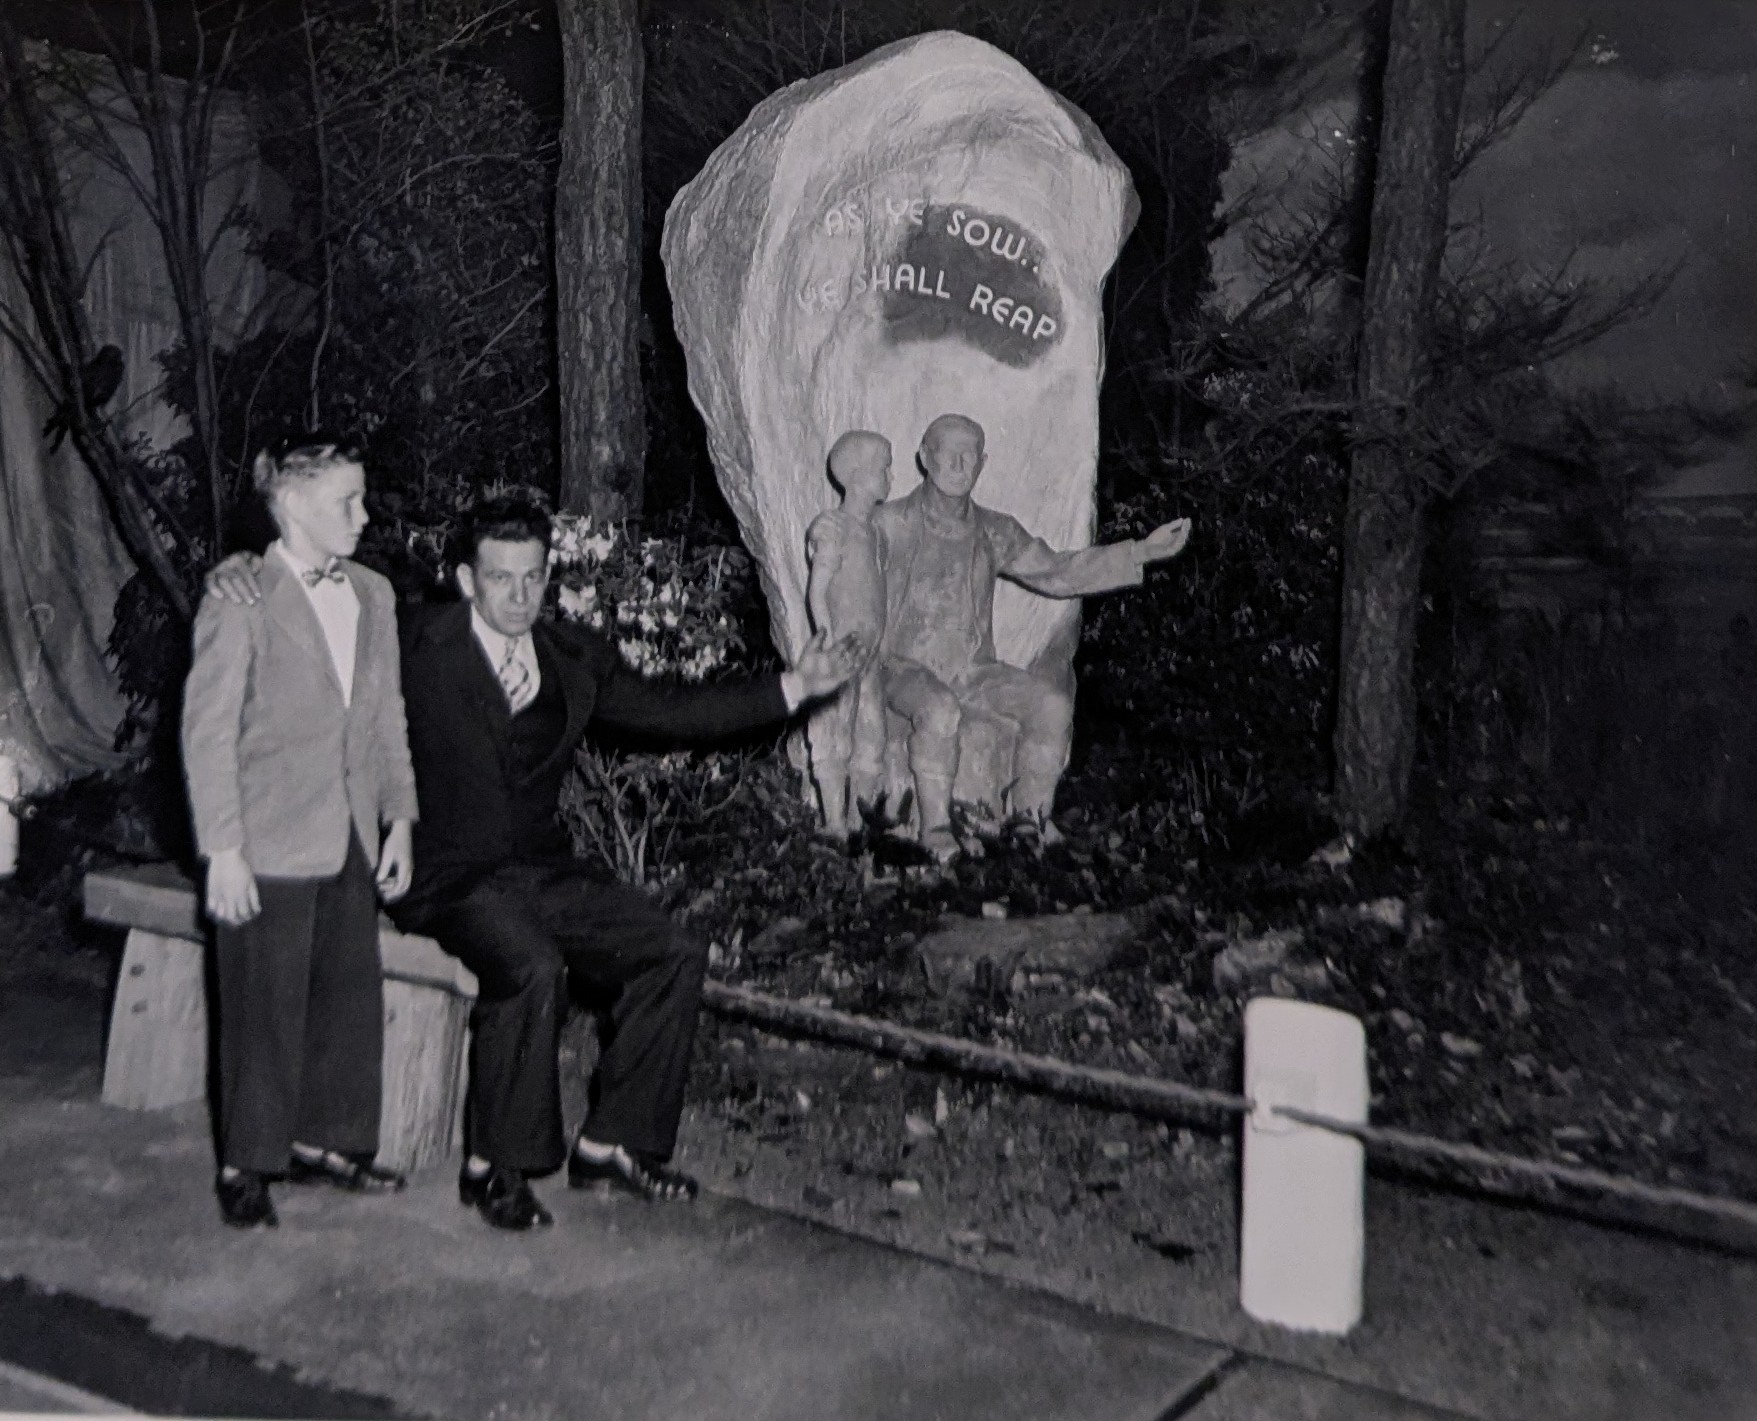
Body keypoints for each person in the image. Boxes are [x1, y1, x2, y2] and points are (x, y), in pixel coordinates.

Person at [208, 492, 864, 1230]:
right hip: (444, 875)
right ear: (464, 580)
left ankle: (614, 1143)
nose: (519, 597)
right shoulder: (415, 638)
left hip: (541, 869)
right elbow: (318, 595)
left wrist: (794, 687)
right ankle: (495, 1166)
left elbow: (672, 710)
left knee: (670, 950)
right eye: (499, 579)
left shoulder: (572, 657)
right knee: (529, 964)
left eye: (533, 578)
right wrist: (242, 568)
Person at [182, 434, 418, 1229]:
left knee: (348, 993)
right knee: (262, 1004)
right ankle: (245, 1161)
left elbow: (387, 718)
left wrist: (400, 820)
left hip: (349, 826)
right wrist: (222, 850)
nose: (362, 513)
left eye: (362, 496)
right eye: (345, 501)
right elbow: (206, 732)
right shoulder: (240, 597)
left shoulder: (374, 595)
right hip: (268, 836)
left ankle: (330, 1141)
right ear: (290, 505)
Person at [874, 413, 1191, 858]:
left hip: (972, 672)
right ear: (925, 456)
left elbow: (1056, 571)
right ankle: (936, 829)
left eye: (970, 455)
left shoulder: (994, 529)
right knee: (938, 708)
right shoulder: (889, 523)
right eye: (949, 452)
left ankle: (1030, 817)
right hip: (903, 668)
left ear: (984, 462)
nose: (959, 464)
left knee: (1052, 705)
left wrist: (1140, 551)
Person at [804, 430, 892, 838]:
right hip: (845, 645)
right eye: (883, 468)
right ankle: (834, 820)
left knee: (872, 729)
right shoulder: (833, 527)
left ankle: (861, 819)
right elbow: (818, 590)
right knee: (836, 723)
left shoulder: (873, 533)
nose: (889, 476)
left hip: (871, 649)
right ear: (856, 475)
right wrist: (827, 638)